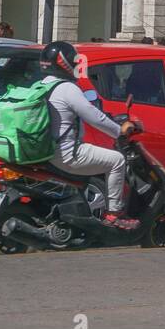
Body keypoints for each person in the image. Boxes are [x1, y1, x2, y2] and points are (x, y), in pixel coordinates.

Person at [40, 41, 138, 230]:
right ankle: (114, 215)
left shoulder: (42, 85)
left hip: (47, 153)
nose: (77, 65)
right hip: (67, 153)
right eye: (73, 61)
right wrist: (120, 130)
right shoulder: (68, 89)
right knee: (117, 160)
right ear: (64, 63)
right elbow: (95, 117)